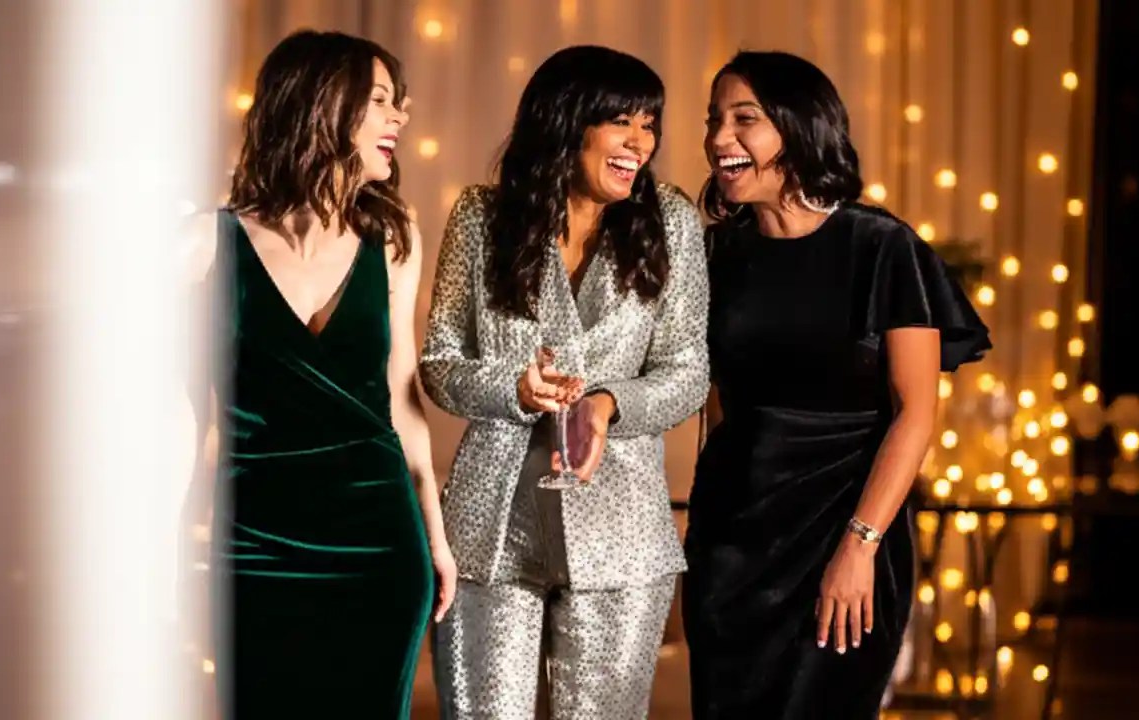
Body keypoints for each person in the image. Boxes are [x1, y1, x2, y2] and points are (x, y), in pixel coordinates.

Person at [683, 50, 992, 719]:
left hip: (849, 533)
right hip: (731, 547)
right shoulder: (714, 255)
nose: (717, 139)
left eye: (743, 119)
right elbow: (714, 406)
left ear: (798, 127)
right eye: (713, 121)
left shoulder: (883, 248)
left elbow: (915, 414)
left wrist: (859, 545)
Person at [420, 45, 709, 719]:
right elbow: (440, 364)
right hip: (490, 528)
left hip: (622, 531)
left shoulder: (670, 222)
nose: (640, 142)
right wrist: (513, 390)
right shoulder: (482, 218)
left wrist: (610, 404)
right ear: (565, 122)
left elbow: (688, 371)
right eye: (621, 121)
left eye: (650, 124)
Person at [185, 29, 456, 718]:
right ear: (322, 106)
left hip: (378, 546)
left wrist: (436, 537)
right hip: (252, 544)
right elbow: (179, 418)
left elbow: (402, 395)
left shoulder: (395, 239)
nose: (400, 118)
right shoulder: (202, 243)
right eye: (380, 101)